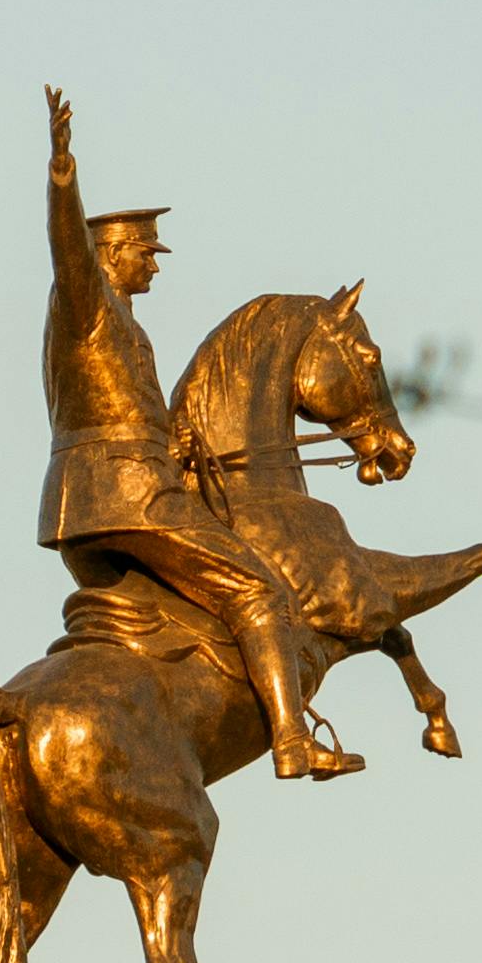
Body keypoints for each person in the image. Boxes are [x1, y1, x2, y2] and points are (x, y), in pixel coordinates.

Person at [39, 88, 355, 779]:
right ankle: (293, 741)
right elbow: (67, 247)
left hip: (89, 508)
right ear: (113, 252)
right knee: (258, 591)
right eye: (146, 252)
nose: (153, 263)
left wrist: (173, 446)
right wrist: (64, 176)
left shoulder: (117, 324)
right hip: (125, 500)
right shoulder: (86, 303)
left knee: (183, 614)